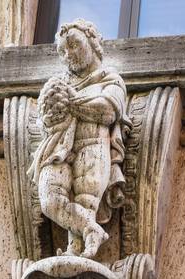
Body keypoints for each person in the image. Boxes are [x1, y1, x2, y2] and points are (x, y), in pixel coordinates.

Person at [29, 20, 130, 258]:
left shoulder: (109, 79)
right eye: (63, 51)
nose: (68, 54)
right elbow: (44, 120)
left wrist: (70, 102)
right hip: (57, 150)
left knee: (85, 201)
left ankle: (78, 248)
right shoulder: (59, 84)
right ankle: (92, 230)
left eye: (74, 45)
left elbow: (107, 111)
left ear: (93, 43)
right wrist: (51, 109)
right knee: (49, 201)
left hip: (92, 147)